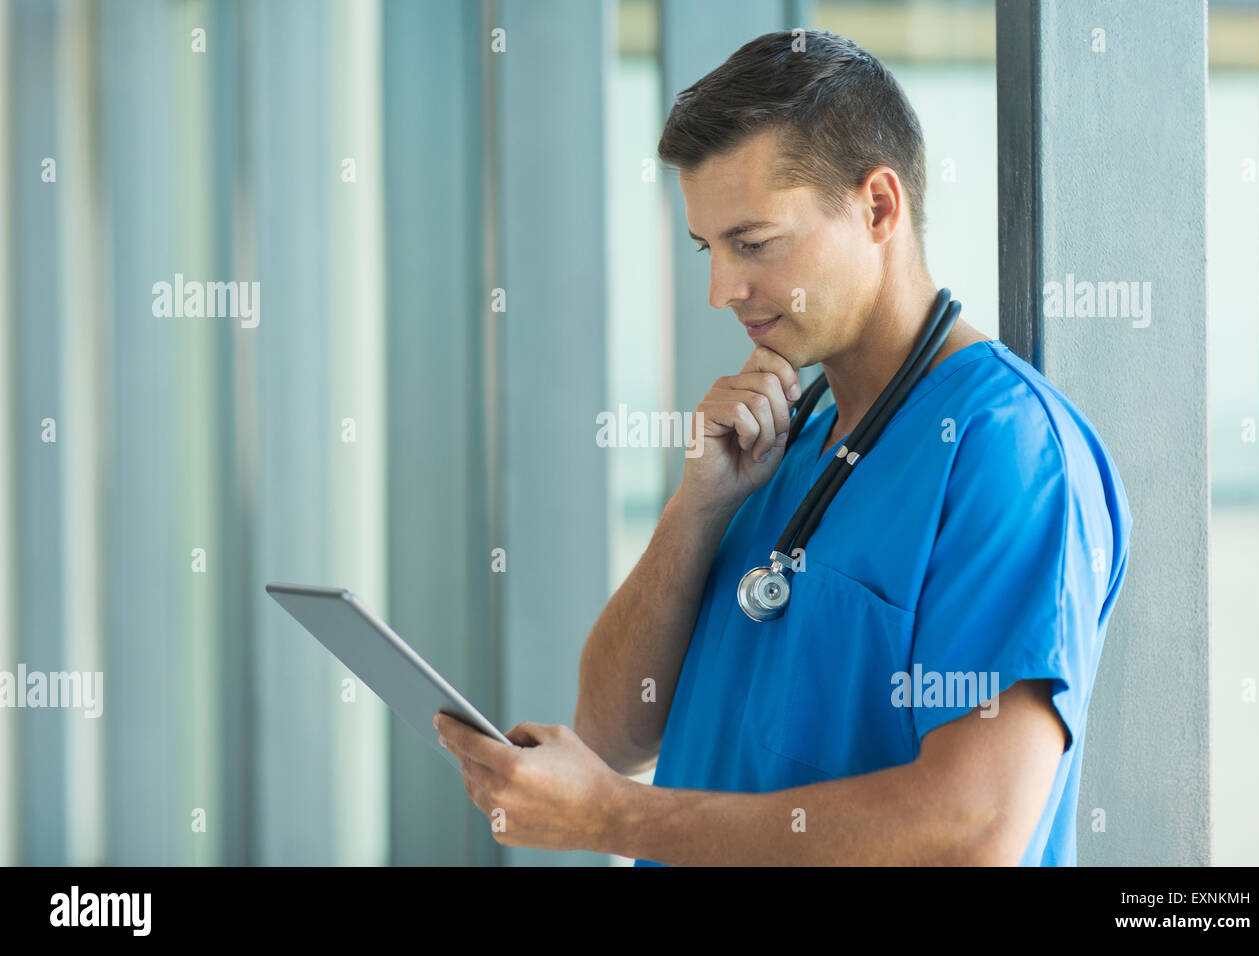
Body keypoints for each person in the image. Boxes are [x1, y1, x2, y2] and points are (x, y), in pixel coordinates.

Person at [435, 28, 1132, 866]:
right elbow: (611, 733)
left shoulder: (1008, 452)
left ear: (878, 207)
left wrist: (616, 820)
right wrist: (696, 509)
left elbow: (972, 829)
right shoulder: (777, 437)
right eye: (709, 248)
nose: (722, 290)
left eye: (754, 243)